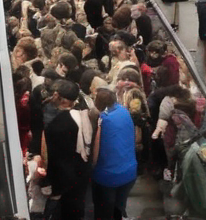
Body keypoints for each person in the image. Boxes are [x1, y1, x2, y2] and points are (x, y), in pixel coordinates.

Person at [41, 79, 94, 220]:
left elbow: (55, 159)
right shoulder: (85, 115)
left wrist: (50, 184)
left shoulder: (57, 126)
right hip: (82, 173)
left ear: (58, 96)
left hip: (65, 180)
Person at [90, 88, 136, 220]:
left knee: (103, 212)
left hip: (107, 177)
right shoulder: (124, 111)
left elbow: (95, 153)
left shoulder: (102, 119)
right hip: (129, 172)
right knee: (117, 210)